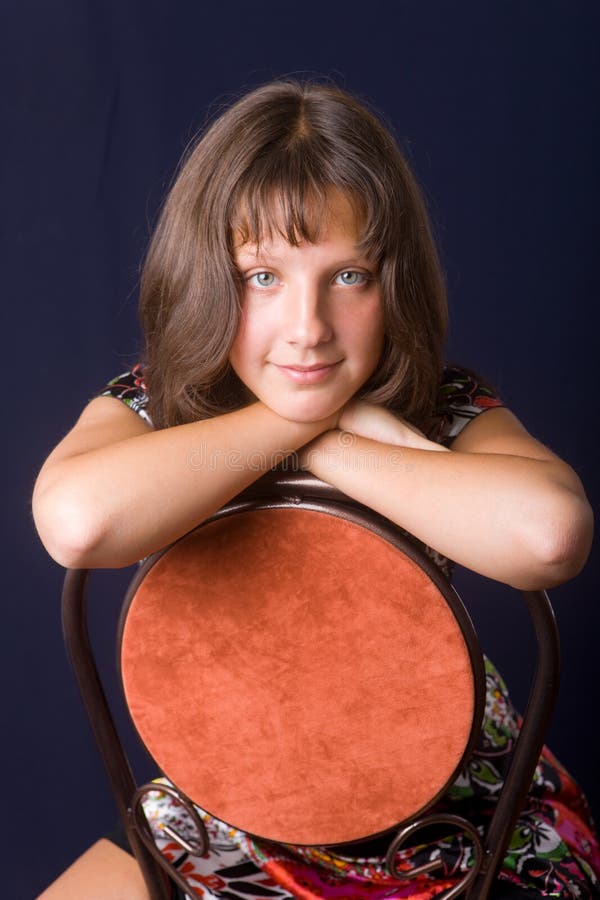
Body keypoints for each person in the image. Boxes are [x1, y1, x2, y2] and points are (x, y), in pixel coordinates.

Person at [32, 80, 597, 899]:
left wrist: (340, 441)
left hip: (461, 834)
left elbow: (549, 536)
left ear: (392, 282)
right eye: (263, 277)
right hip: (234, 826)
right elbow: (78, 524)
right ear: (207, 278)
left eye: (350, 276)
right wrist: (308, 429)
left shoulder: (444, 407)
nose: (308, 327)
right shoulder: (158, 406)